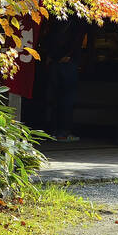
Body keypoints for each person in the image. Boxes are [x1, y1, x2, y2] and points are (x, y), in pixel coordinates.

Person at [40, 13, 88, 143]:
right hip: (67, 62)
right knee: (67, 99)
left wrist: (51, 56)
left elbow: (48, 38)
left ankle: (53, 131)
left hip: (54, 61)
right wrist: (67, 55)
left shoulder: (56, 21)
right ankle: (63, 132)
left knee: (54, 97)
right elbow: (76, 40)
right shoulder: (78, 21)